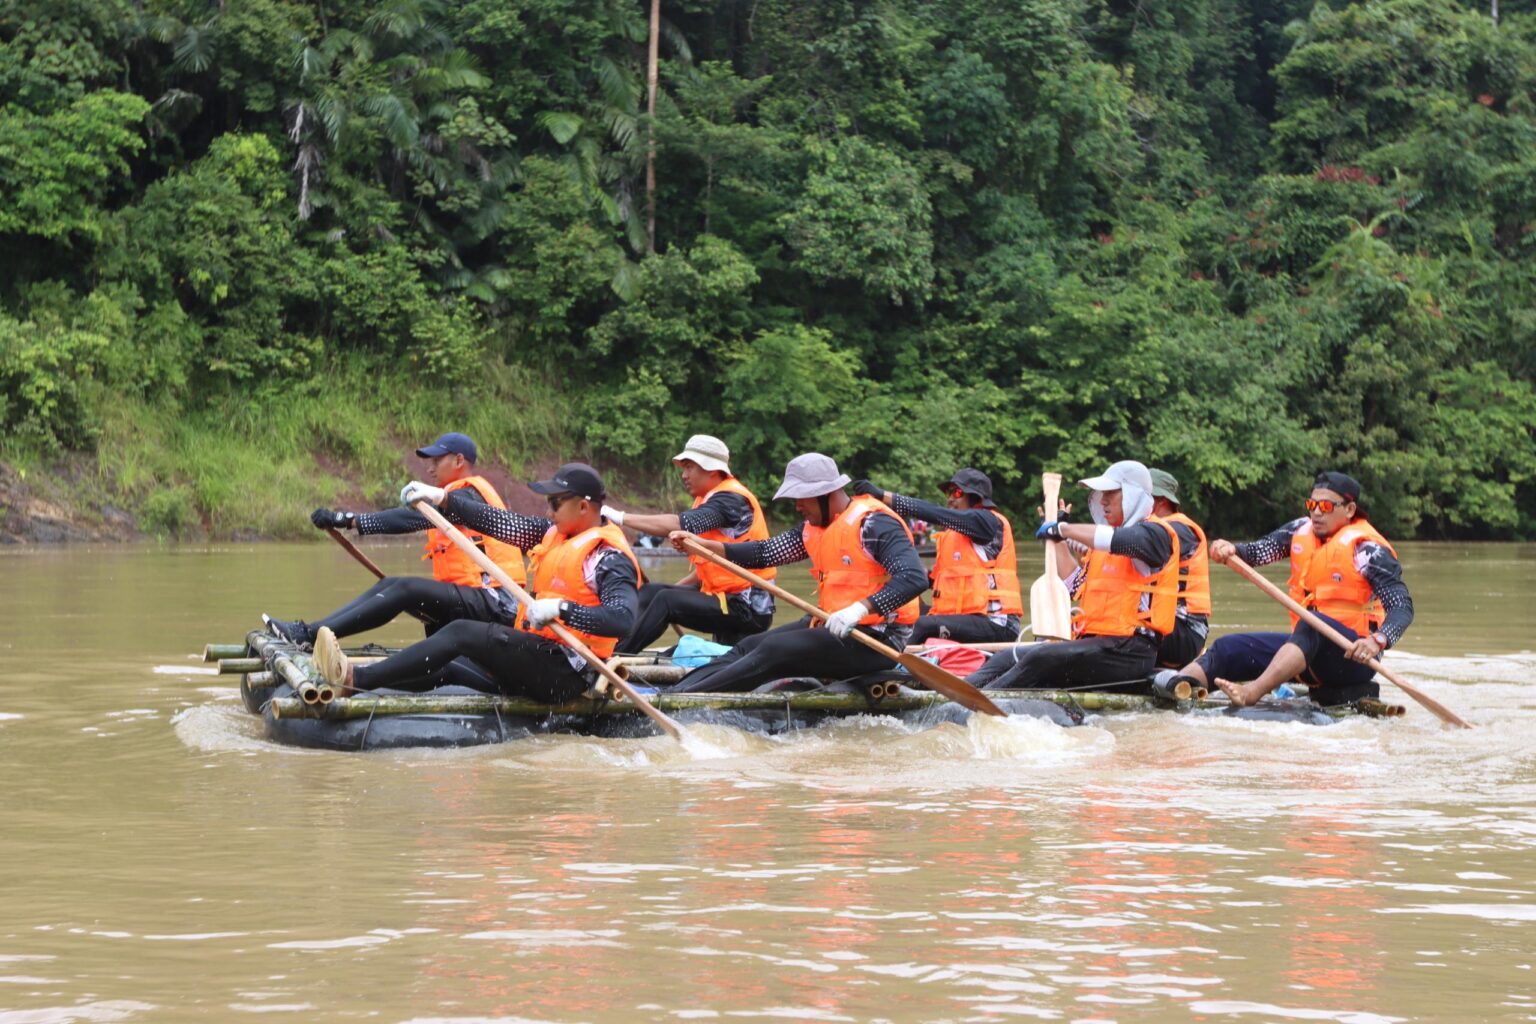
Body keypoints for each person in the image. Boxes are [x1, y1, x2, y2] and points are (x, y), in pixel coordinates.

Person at [312, 463, 640, 702]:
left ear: (583, 506)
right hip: (540, 653)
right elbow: (497, 521)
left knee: (460, 632)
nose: (548, 510)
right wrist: (443, 499)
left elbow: (622, 620)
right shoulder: (553, 533)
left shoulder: (606, 557)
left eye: (555, 503)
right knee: (452, 664)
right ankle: (362, 688)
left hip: (568, 673)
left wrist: (562, 609)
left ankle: (354, 679)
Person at [664, 453, 928, 693]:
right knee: (749, 645)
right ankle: (673, 694)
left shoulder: (875, 524)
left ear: (827, 494)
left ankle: (686, 699)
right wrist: (708, 545)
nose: (798, 506)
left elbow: (913, 578)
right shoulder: (813, 527)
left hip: (877, 639)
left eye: (802, 498)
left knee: (773, 650)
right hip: (833, 627)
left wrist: (859, 609)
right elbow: (765, 553)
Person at [1161, 471, 1413, 708]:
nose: (1316, 513)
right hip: (1305, 650)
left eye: (1325, 506)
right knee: (1228, 647)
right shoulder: (1299, 530)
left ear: (1349, 510)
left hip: (1351, 659)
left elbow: (1401, 606)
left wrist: (1377, 641)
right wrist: (1232, 550)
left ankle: (1251, 693)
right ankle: (1175, 686)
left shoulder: (1368, 550)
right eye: (1311, 505)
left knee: (1311, 622)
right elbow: (1258, 552)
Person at [264, 433, 527, 646]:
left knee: (405, 590)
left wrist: (348, 520)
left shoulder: (469, 494)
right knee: (392, 584)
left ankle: (309, 636)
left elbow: (410, 519)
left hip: (497, 604)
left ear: (459, 460)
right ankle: (310, 632)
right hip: (475, 600)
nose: (430, 467)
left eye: (437, 460)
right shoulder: (453, 495)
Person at [969, 460, 1180, 691]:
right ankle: (956, 690)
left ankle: (985, 700)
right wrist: (1056, 540)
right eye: (1102, 494)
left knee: (1041, 658)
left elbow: (1120, 540)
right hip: (1098, 644)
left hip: (1131, 651)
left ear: (1133, 495)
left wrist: (1063, 529)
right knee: (1008, 656)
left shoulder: (1156, 535)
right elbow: (1072, 586)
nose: (1103, 500)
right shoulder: (1101, 549)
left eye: (1111, 493)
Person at [601, 434, 776, 652]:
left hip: (747, 606)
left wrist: (618, 517)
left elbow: (681, 524)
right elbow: (709, 570)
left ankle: (617, 657)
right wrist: (673, 593)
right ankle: (610, 647)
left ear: (711, 469)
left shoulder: (731, 500)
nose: (684, 475)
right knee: (651, 593)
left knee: (666, 600)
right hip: (723, 595)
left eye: (689, 467)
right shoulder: (707, 498)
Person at [851, 469, 1022, 644]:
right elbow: (938, 582)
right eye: (949, 493)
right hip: (963, 617)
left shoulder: (987, 522)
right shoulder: (953, 535)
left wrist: (884, 496)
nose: (950, 498)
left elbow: (936, 513)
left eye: (957, 492)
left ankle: (897, 664)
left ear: (976, 497)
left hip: (996, 623)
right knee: (903, 613)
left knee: (921, 625)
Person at [1148, 469, 1211, 668]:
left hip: (1185, 631)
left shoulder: (1179, 530)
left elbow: (1137, 542)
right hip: (1166, 626)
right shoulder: (1147, 528)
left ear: (1161, 501)